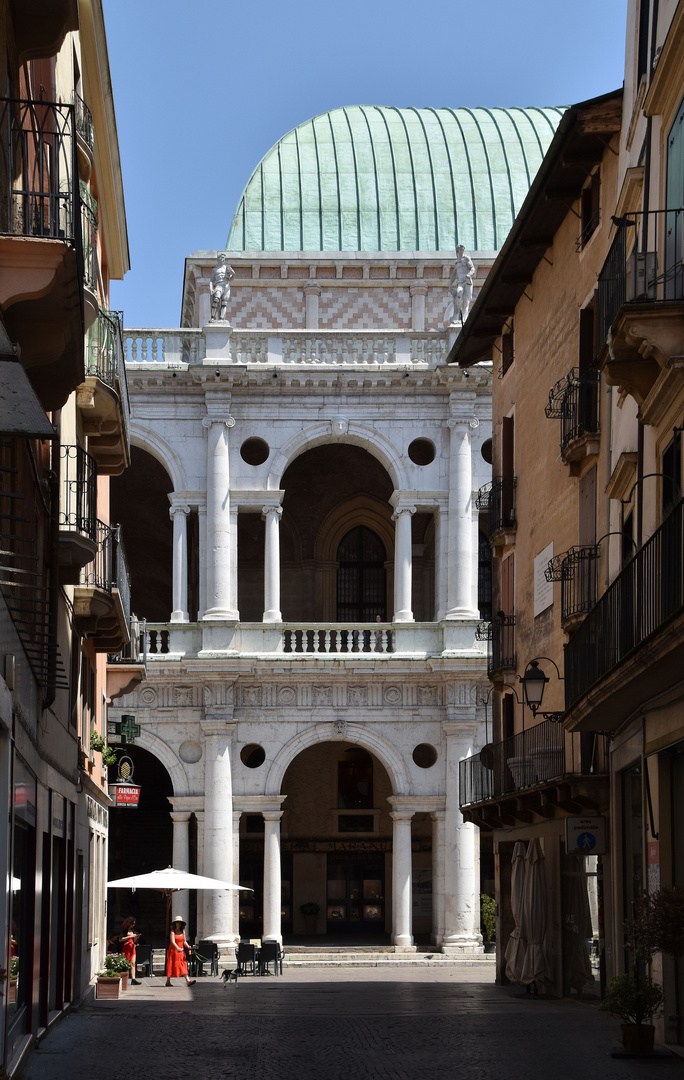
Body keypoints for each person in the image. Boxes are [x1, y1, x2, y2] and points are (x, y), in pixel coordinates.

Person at [448, 245, 475, 325]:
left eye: (462, 250)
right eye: (460, 250)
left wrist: (469, 275)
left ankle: (464, 318)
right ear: (457, 252)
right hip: (460, 282)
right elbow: (453, 275)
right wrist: (450, 284)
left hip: (467, 282)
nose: (461, 252)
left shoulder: (466, 259)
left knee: (466, 301)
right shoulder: (456, 263)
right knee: (459, 295)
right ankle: (458, 314)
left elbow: (472, 268)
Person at [165, 916, 195, 987]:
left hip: (181, 951)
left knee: (183, 965)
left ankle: (188, 981)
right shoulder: (173, 932)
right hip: (173, 951)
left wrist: (188, 946)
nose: (178, 924)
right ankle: (168, 981)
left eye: (180, 922)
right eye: (177, 922)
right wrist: (177, 948)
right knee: (172, 965)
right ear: (175, 923)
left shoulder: (183, 932)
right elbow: (172, 941)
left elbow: (184, 941)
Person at [210, 253, 235, 322]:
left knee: (224, 303)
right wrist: (211, 289)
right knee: (216, 299)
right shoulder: (215, 269)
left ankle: (222, 318)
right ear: (218, 259)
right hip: (219, 285)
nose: (222, 259)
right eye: (221, 258)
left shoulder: (227, 268)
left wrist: (233, 273)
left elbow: (231, 278)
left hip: (226, 285)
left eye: (223, 258)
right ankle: (213, 317)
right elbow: (211, 281)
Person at [120, 916, 142, 985]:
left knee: (133, 963)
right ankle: (123, 978)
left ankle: (133, 979)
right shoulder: (124, 931)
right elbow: (120, 939)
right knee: (125, 964)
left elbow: (133, 940)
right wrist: (129, 936)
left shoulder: (132, 930)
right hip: (126, 948)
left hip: (132, 947)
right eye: (132, 924)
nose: (133, 926)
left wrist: (136, 937)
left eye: (134, 924)